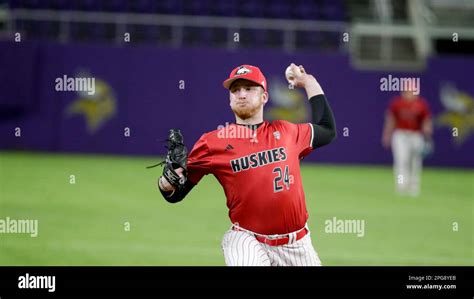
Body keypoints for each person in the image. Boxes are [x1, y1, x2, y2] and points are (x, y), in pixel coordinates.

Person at [158, 64, 336, 266]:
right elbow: (176, 192)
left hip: (297, 245)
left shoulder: (287, 132)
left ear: (264, 97)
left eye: (249, 88)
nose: (241, 94)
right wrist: (166, 182)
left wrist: (308, 82)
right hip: (246, 238)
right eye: (235, 90)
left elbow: (327, 130)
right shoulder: (212, 142)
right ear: (230, 99)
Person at [382, 89, 433, 197]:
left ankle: (414, 186)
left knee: (415, 162)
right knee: (401, 160)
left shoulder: (421, 104)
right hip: (401, 135)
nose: (409, 94)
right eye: (407, 91)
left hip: (416, 135)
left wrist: (427, 136)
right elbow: (391, 120)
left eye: (412, 92)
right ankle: (401, 185)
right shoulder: (397, 103)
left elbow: (426, 121)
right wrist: (387, 134)